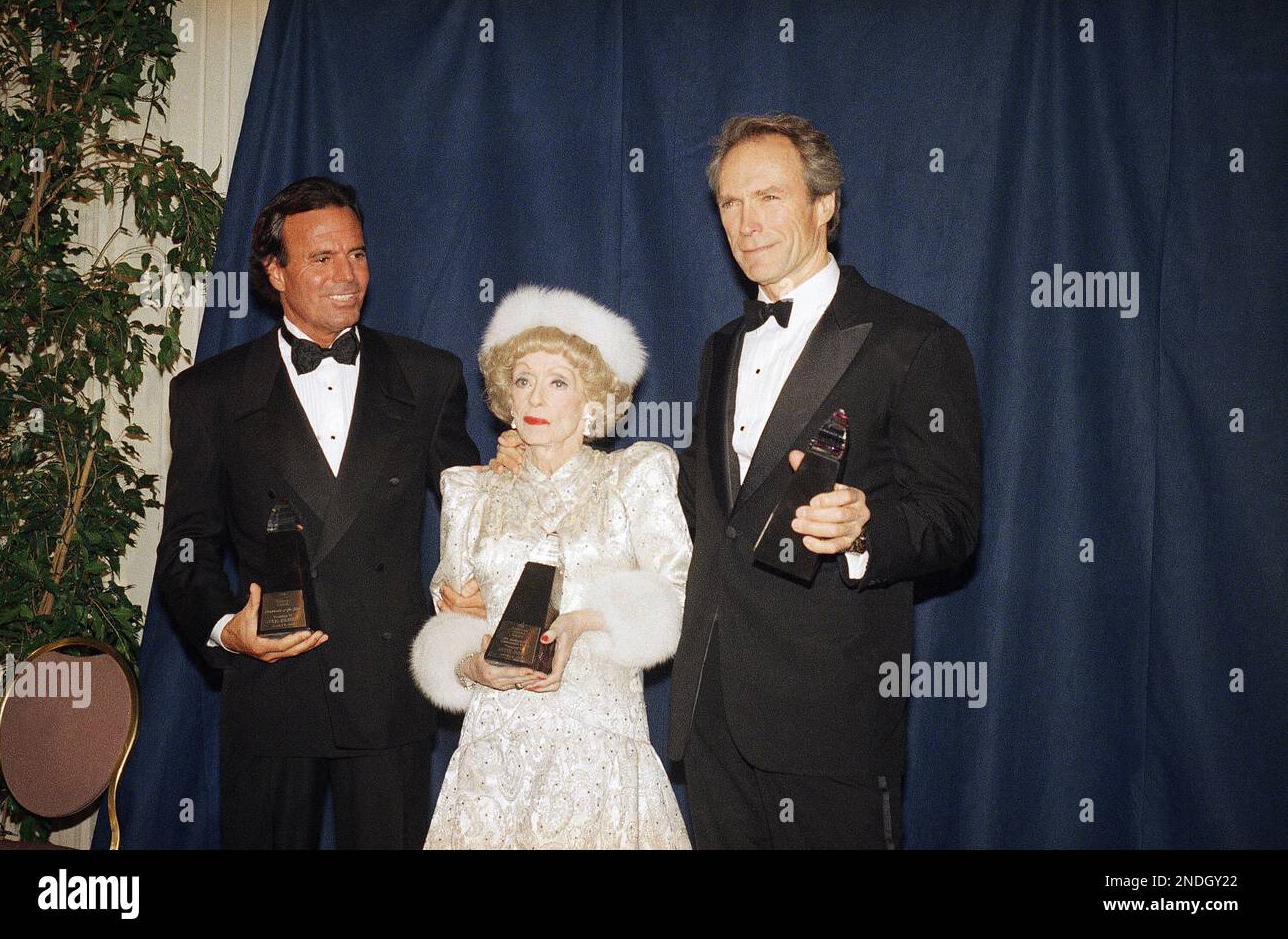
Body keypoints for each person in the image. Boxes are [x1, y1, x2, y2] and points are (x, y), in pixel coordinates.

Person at [665, 113, 983, 848]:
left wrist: (866, 528)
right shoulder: (720, 348)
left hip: (828, 717)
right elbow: (708, 508)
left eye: (769, 198)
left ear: (825, 204)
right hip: (712, 712)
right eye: (730, 204)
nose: (746, 223)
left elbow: (954, 519)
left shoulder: (915, 342)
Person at [155, 176, 480, 848]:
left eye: (357, 254)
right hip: (271, 695)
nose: (348, 275)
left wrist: (474, 582)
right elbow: (185, 547)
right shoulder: (209, 394)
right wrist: (225, 629)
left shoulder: (428, 377)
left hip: (390, 693)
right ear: (275, 271)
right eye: (322, 259)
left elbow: (473, 510)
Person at [412, 284, 692, 849]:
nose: (535, 398)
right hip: (494, 764)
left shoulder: (634, 479)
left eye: (557, 382)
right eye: (523, 380)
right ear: (505, 397)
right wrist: (472, 666)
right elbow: (454, 621)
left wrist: (581, 622)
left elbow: (680, 597)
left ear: (593, 400)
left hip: (603, 756)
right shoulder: (471, 494)